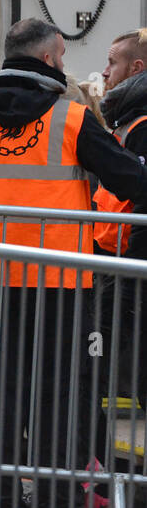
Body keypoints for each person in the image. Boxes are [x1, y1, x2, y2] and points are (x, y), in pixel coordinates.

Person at [0, 18, 147, 508]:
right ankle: (57, 499)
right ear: (49, 59)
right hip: (61, 284)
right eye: (63, 59)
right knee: (58, 396)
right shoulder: (71, 120)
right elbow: (129, 179)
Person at [90, 29, 147, 473]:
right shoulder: (127, 121)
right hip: (116, 265)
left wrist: (129, 269)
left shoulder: (142, 127)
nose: (104, 72)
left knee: (89, 370)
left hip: (127, 271)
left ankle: (94, 471)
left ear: (136, 69)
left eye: (112, 63)